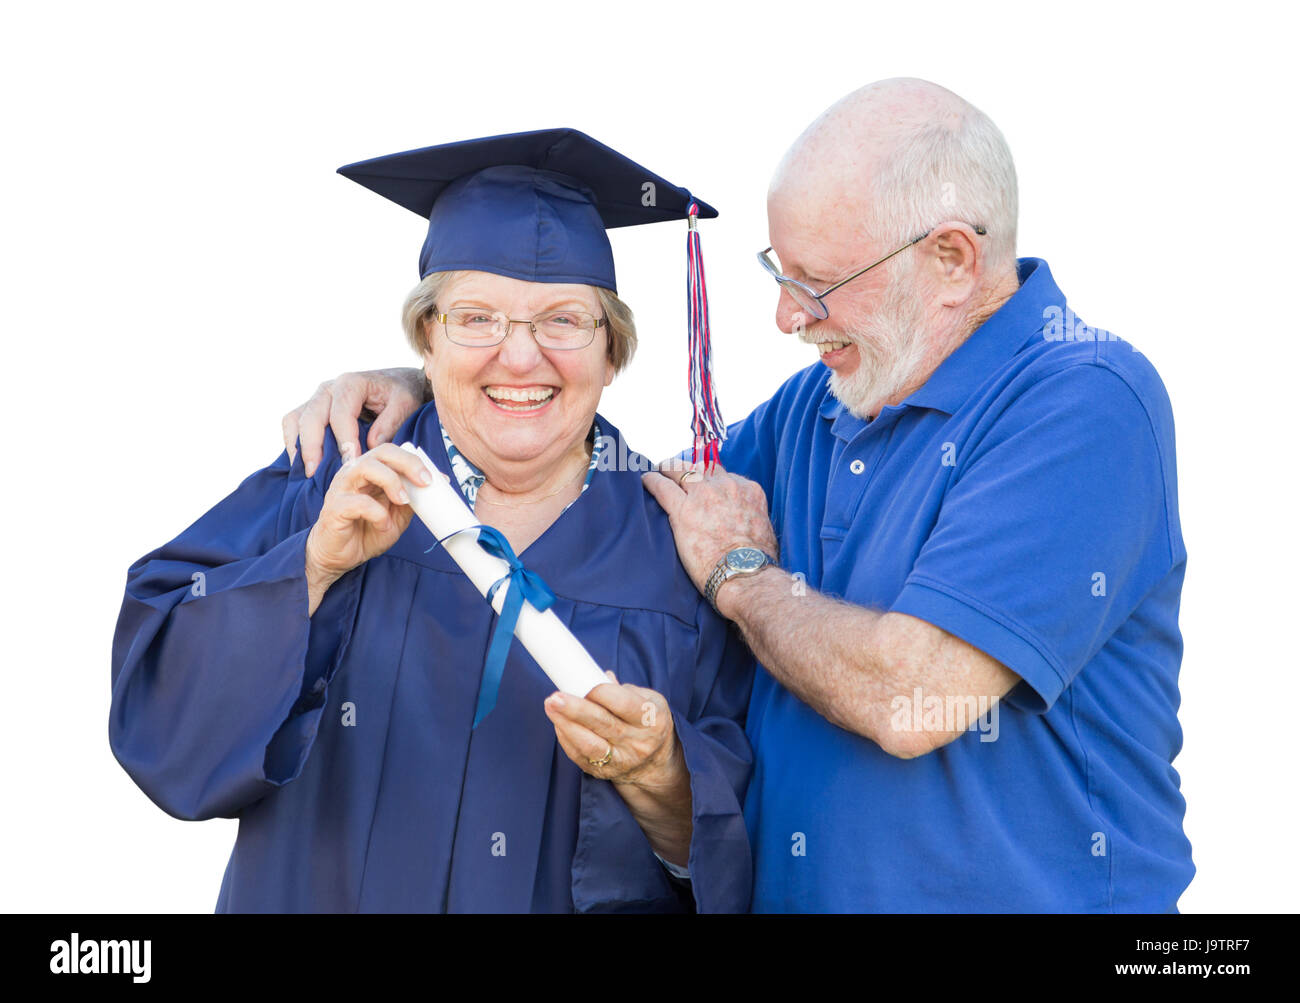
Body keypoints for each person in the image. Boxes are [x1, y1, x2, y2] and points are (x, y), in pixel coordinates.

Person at [285, 81, 1194, 913]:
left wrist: (745, 578)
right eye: (779, 273)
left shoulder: (1085, 402)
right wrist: (451, 379)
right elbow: (617, 487)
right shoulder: (822, 407)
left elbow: (912, 696)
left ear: (952, 258)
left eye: (818, 284)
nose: (788, 317)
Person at [110, 129, 754, 913]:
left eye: (564, 321)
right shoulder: (331, 478)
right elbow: (164, 730)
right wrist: (310, 571)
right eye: (477, 318)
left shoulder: (678, 551)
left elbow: (755, 843)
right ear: (426, 338)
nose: (521, 359)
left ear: (612, 352)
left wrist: (665, 779)